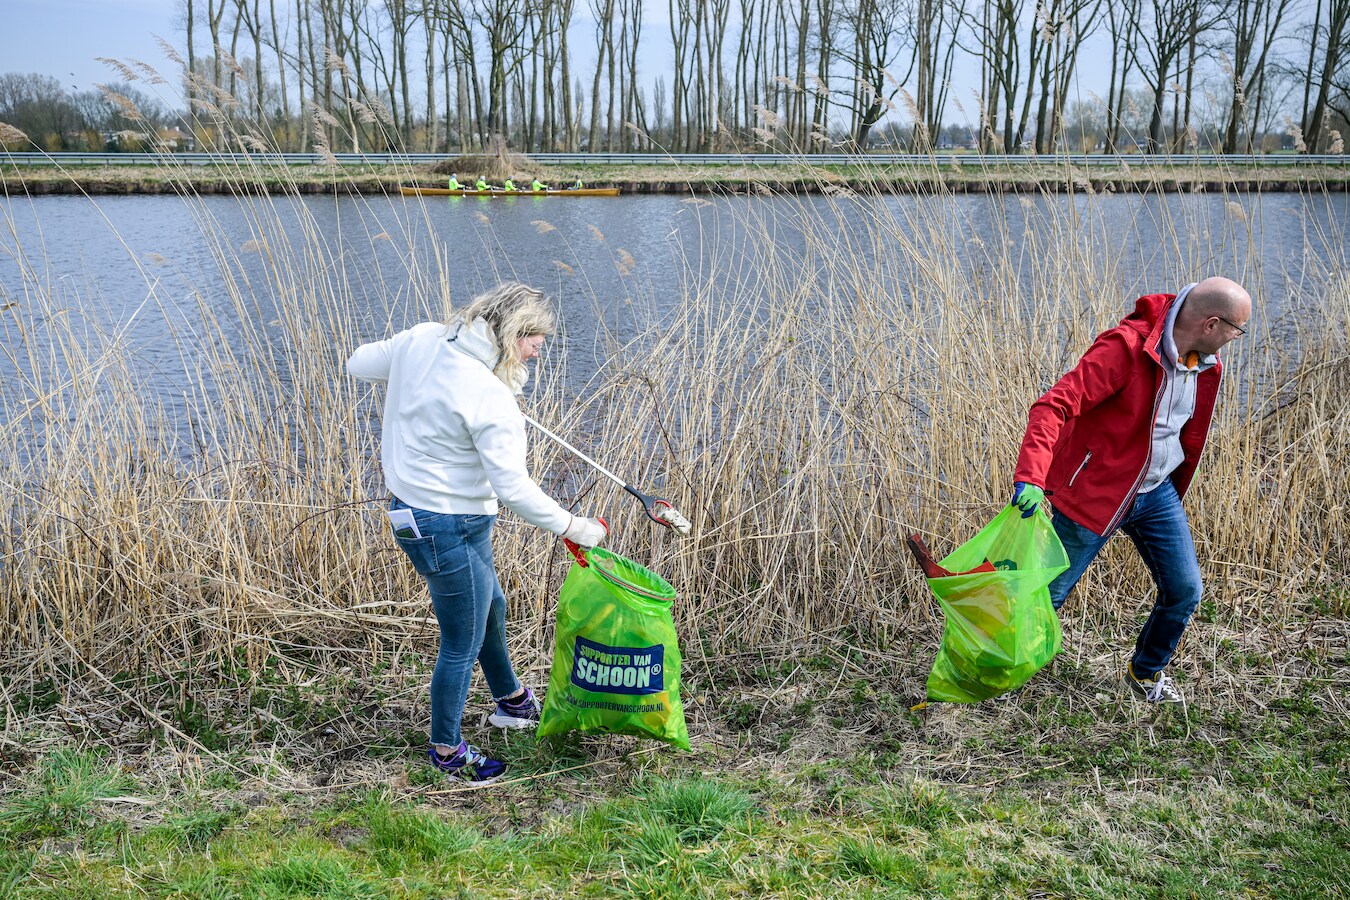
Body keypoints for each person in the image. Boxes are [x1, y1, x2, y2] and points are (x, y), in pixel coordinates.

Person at [346, 283, 608, 782]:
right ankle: (446, 750)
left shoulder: (423, 339)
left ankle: (510, 700)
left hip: (417, 514)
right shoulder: (491, 396)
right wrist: (575, 527)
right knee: (460, 641)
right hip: (448, 524)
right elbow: (513, 487)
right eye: (535, 339)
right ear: (510, 335)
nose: (539, 349)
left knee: (491, 606)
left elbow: (359, 363)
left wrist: (416, 366)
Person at [1010, 277, 1252, 705]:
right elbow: (1054, 406)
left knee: (1184, 592)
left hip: (1155, 494)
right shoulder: (1125, 349)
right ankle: (990, 666)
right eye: (1238, 330)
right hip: (1099, 494)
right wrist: (1031, 475)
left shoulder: (1204, 362)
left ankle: (1144, 674)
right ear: (1212, 324)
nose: (1237, 339)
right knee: (1048, 595)